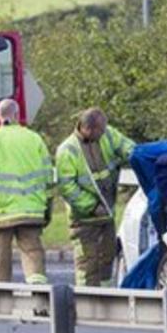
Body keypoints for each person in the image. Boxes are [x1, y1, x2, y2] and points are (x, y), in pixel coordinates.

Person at [0, 99, 54, 284]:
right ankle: (38, 292)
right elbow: (48, 176)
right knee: (33, 252)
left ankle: (0, 296)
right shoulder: (34, 139)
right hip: (31, 210)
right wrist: (48, 205)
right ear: (17, 115)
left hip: (0, 213)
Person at [55, 108, 135, 287]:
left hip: (106, 215)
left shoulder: (108, 134)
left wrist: (136, 156)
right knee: (88, 264)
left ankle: (105, 298)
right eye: (101, 130)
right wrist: (91, 206)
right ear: (88, 129)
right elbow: (68, 188)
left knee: (107, 259)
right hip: (83, 219)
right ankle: (85, 299)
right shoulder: (67, 150)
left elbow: (127, 147)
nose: (104, 132)